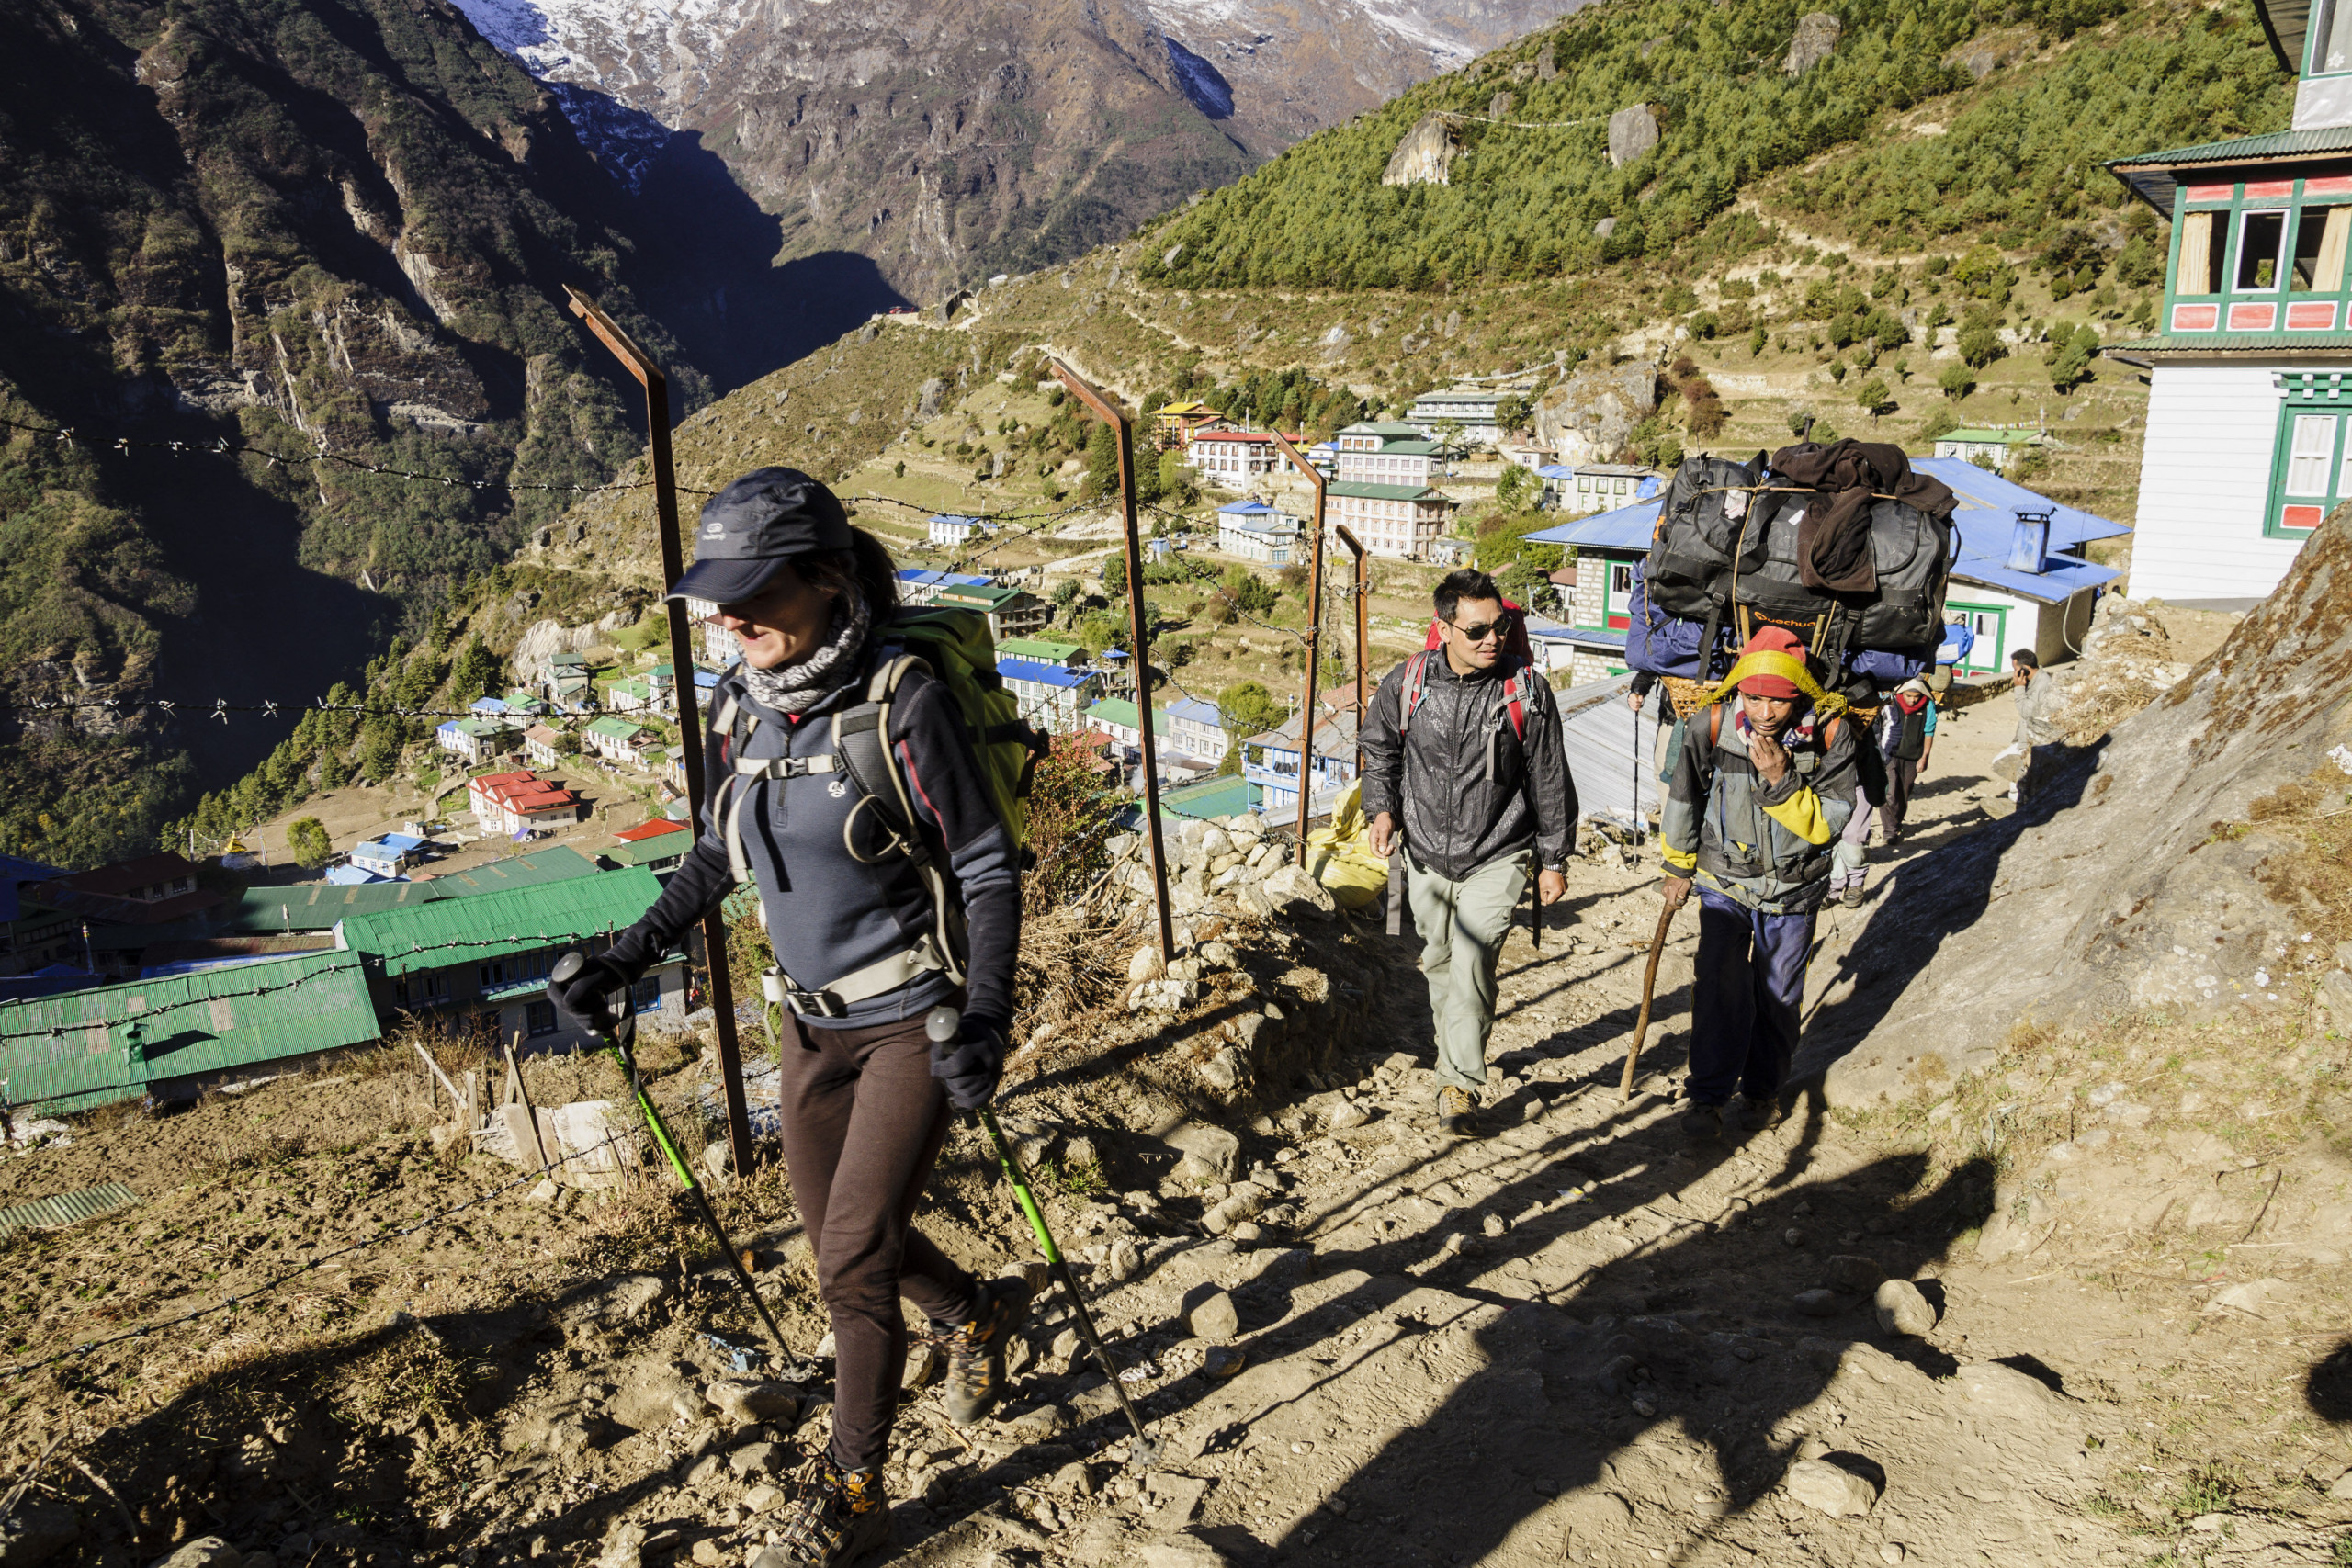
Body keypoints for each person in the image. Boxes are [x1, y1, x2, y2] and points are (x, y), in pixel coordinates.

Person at [547, 468, 1024, 1568]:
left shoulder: (902, 697)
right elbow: (720, 850)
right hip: (806, 1029)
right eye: (716, 595)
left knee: (849, 1264)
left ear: (826, 577)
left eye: (752, 589)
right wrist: (627, 958)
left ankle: (851, 1484)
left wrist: (987, 1014)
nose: (728, 614)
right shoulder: (738, 706)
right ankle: (976, 1316)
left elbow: (986, 865)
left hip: (915, 1019)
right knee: (848, 1241)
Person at [1363, 569, 1577, 1137]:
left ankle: (1459, 1085)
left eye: (1501, 628)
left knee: (1474, 962)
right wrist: (1380, 808)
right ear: (1445, 628)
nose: (1492, 640)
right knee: (1439, 963)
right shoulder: (1407, 683)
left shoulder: (1524, 690)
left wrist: (1554, 857)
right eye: (1478, 630)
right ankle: (1452, 1057)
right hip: (1426, 851)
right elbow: (1379, 748)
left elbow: (1549, 777)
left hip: (1500, 851)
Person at [1657, 626, 1858, 1136]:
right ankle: (1706, 1097)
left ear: (1800, 696)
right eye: (1754, 697)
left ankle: (1762, 1090)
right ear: (1737, 691)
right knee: (1719, 988)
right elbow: (1685, 796)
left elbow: (1830, 823)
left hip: (1795, 889)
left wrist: (1781, 781)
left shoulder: (1830, 734)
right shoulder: (1714, 724)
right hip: (1724, 881)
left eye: (1779, 702)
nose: (1765, 713)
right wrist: (1678, 866)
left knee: (1779, 996)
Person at [1992, 648, 2062, 806]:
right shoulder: (2035, 682)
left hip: (2030, 742)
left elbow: (2026, 712)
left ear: (2024, 669)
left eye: (2015, 669)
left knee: (2007, 771)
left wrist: (2018, 688)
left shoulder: (2042, 685)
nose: (2014, 673)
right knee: (2010, 775)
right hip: (2023, 739)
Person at [1873, 677, 1936, 844]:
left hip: (1913, 757)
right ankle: (1890, 832)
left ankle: (1896, 822)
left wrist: (1925, 757)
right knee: (1889, 792)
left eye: (1916, 696)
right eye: (1909, 695)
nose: (1912, 699)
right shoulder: (1892, 704)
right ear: (1902, 693)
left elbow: (1929, 731)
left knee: (1903, 794)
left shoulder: (1928, 706)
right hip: (1890, 755)